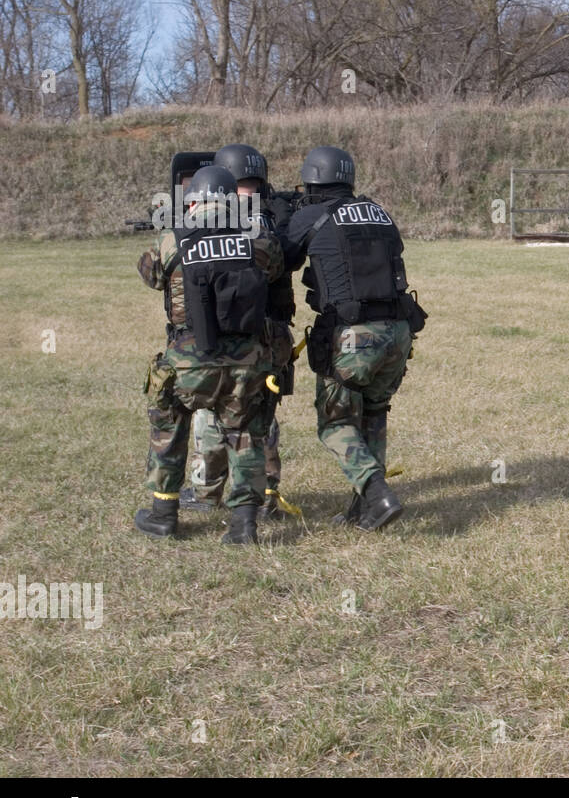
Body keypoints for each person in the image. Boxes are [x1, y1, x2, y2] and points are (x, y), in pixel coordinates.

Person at [133, 165, 283, 544]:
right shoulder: (257, 236)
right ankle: (244, 525)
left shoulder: (175, 237)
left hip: (188, 360)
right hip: (246, 362)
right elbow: (276, 267)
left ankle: (163, 514)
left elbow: (151, 274)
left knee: (170, 430)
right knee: (244, 435)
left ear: (194, 199)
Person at [281, 146, 425, 531]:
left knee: (335, 423)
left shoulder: (313, 214)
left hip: (354, 337)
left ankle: (377, 493)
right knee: (373, 415)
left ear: (314, 181)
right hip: (397, 333)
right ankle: (364, 509)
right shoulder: (379, 212)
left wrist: (280, 219)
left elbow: (281, 259)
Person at [179, 143, 298, 521]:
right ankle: (263, 495)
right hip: (270, 334)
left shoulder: (230, 222)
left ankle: (209, 490)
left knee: (212, 414)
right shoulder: (275, 216)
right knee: (261, 415)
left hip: (232, 337)